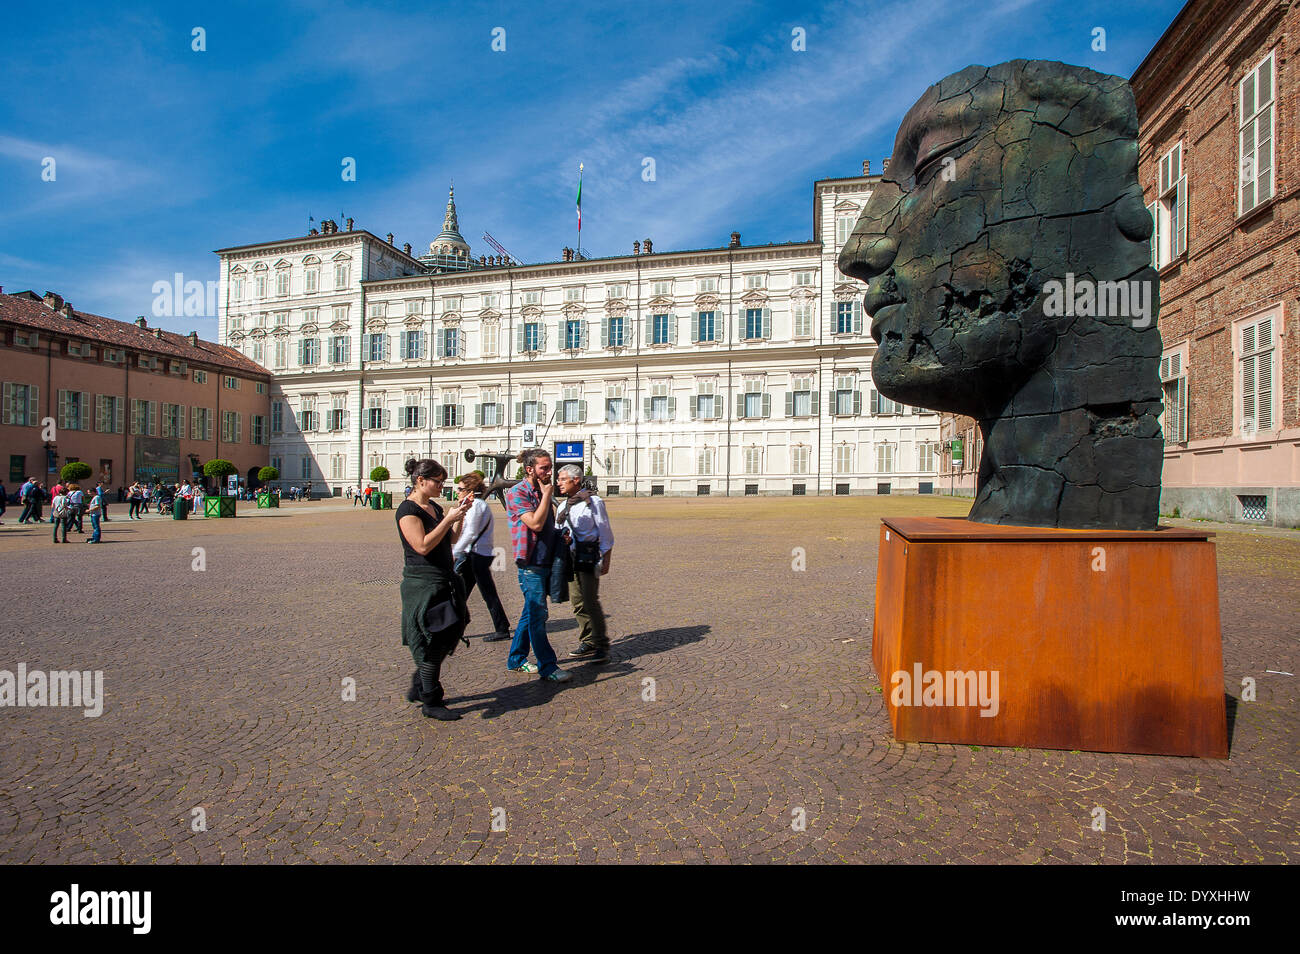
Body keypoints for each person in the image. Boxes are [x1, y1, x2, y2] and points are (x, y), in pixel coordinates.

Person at [396, 458, 474, 722]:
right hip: (422, 583)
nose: (442, 486)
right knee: (434, 640)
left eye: (443, 482)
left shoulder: (434, 507)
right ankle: (431, 699)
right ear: (421, 481)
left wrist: (459, 517)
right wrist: (448, 519)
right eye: (438, 482)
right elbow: (422, 546)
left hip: (444, 580)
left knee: (451, 631)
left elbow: (450, 539)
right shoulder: (408, 510)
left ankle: (420, 683)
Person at [503, 448, 572, 683]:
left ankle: (516, 659)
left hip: (546, 560)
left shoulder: (541, 490)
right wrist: (546, 496)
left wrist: (560, 535)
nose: (549, 472)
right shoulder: (517, 493)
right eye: (544, 468)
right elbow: (534, 523)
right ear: (530, 469)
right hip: (530, 563)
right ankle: (548, 666)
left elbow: (547, 526)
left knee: (530, 613)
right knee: (538, 616)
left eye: (550, 467)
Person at [555, 464, 615, 663]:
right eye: (558, 479)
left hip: (588, 557)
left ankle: (601, 645)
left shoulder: (593, 502)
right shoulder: (562, 506)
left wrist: (606, 559)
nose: (559, 482)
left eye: (563, 479)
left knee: (590, 600)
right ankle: (588, 640)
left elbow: (605, 532)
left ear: (576, 480)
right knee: (577, 602)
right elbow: (559, 530)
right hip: (570, 558)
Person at [451, 472, 512, 642]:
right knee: (462, 593)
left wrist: (454, 553)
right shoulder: (475, 505)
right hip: (476, 554)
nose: (458, 491)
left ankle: (501, 629)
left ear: (470, 490)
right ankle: (458, 628)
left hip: (477, 555)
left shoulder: (477, 505)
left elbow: (470, 533)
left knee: (483, 593)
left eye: (460, 489)